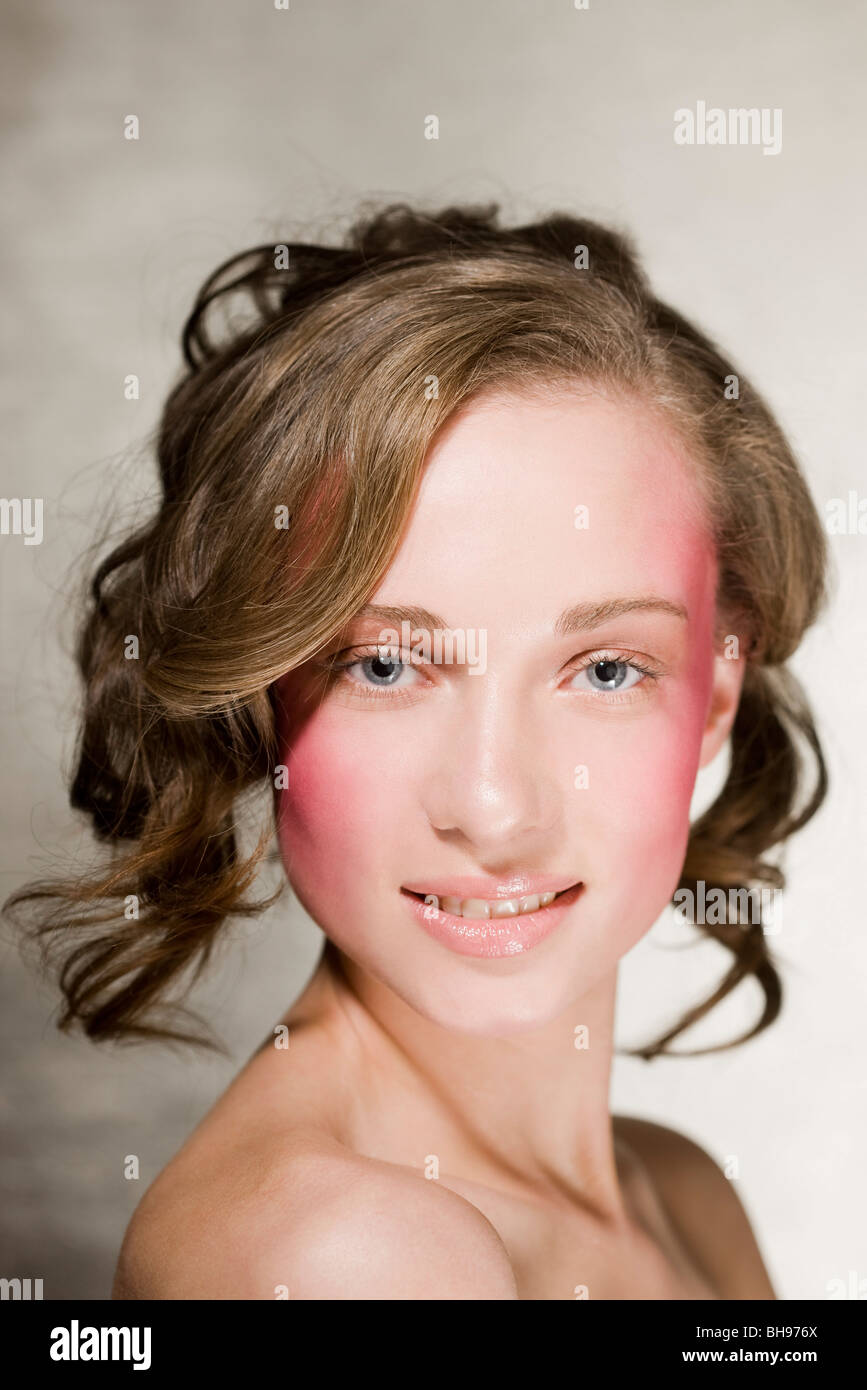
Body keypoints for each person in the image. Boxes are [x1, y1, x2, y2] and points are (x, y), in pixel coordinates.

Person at [4, 202, 828, 1299]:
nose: (495, 808)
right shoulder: (346, 1253)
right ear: (259, 694)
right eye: (386, 665)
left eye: (607, 669)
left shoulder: (682, 1194)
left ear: (717, 692)